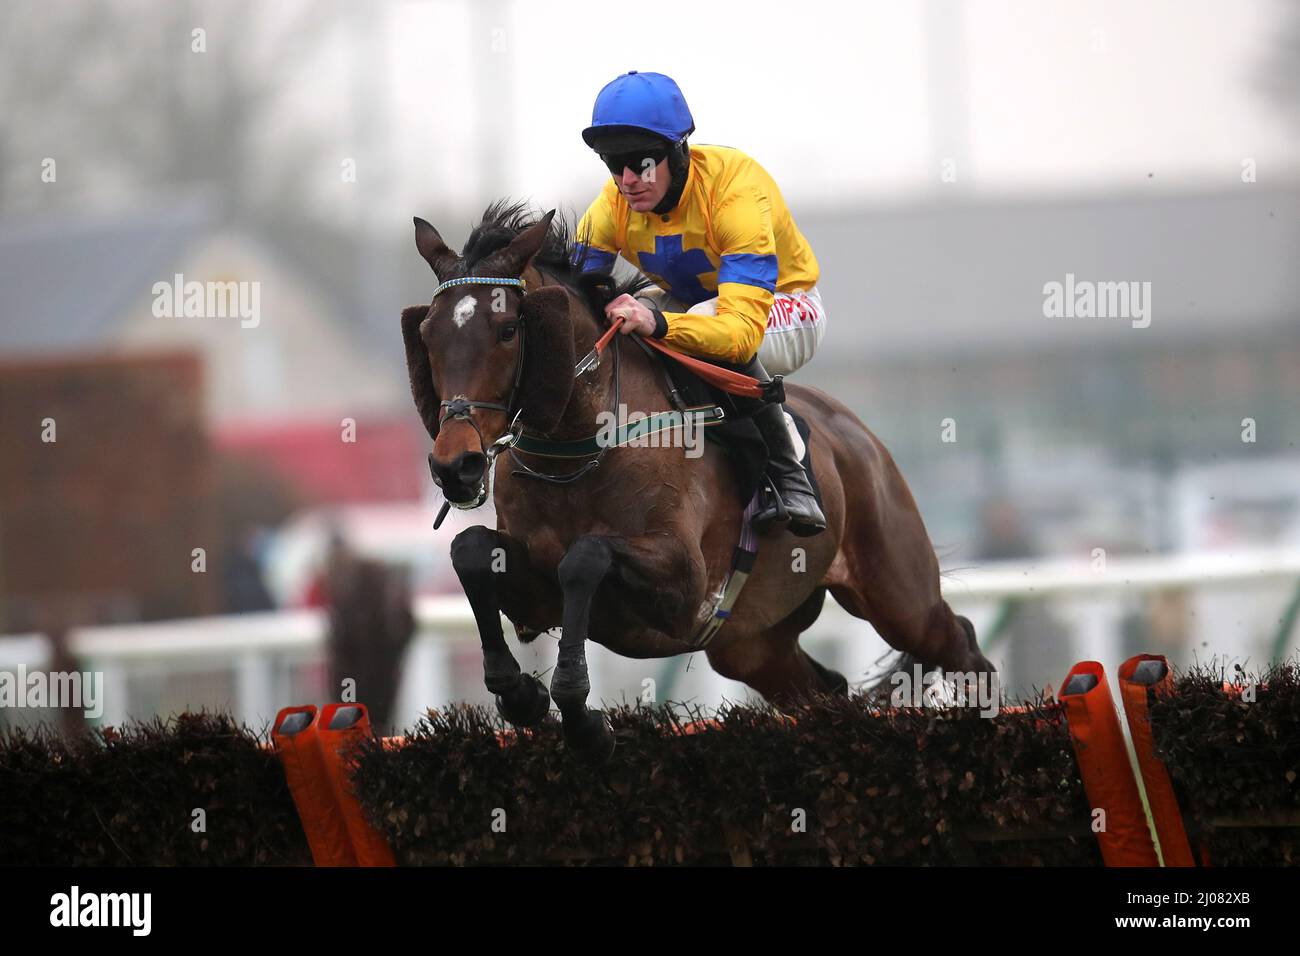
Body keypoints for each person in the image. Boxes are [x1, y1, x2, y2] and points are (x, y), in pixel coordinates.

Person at [574, 70, 827, 536]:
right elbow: (570, 291)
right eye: (614, 164)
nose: (628, 181)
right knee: (611, 320)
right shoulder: (613, 203)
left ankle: (790, 470)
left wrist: (660, 324)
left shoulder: (736, 194)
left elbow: (737, 335)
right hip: (695, 304)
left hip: (783, 309)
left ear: (677, 151)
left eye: (642, 162)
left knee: (695, 321)